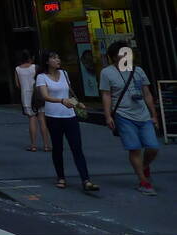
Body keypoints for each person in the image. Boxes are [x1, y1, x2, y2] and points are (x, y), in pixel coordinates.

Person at [100, 43, 161, 196]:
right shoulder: (107, 73)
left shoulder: (138, 70)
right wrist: (108, 116)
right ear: (114, 57)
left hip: (143, 114)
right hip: (123, 115)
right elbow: (106, 95)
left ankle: (144, 166)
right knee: (134, 148)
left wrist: (154, 114)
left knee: (153, 147)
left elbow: (146, 93)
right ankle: (143, 181)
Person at [36, 50, 98, 192]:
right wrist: (61, 100)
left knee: (77, 148)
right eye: (53, 57)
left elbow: (69, 93)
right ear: (47, 61)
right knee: (57, 148)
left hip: (69, 115)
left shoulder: (64, 74)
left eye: (58, 57)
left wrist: (77, 103)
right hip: (53, 116)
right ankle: (61, 177)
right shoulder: (42, 77)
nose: (57, 60)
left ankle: (86, 180)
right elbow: (45, 96)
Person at [15, 50, 49, 152]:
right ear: (32, 57)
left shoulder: (17, 69)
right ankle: (46, 145)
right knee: (42, 119)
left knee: (31, 119)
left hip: (26, 95)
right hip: (38, 95)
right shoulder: (36, 67)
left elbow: (18, 85)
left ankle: (33, 145)